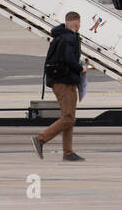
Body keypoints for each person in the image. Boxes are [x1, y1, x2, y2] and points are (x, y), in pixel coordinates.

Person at [32, 11, 86, 162]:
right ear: (76, 23)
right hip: (65, 81)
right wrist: (80, 68)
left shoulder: (60, 36)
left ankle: (68, 152)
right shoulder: (69, 38)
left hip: (61, 80)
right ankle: (40, 139)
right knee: (69, 118)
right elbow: (69, 59)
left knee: (68, 116)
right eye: (79, 23)